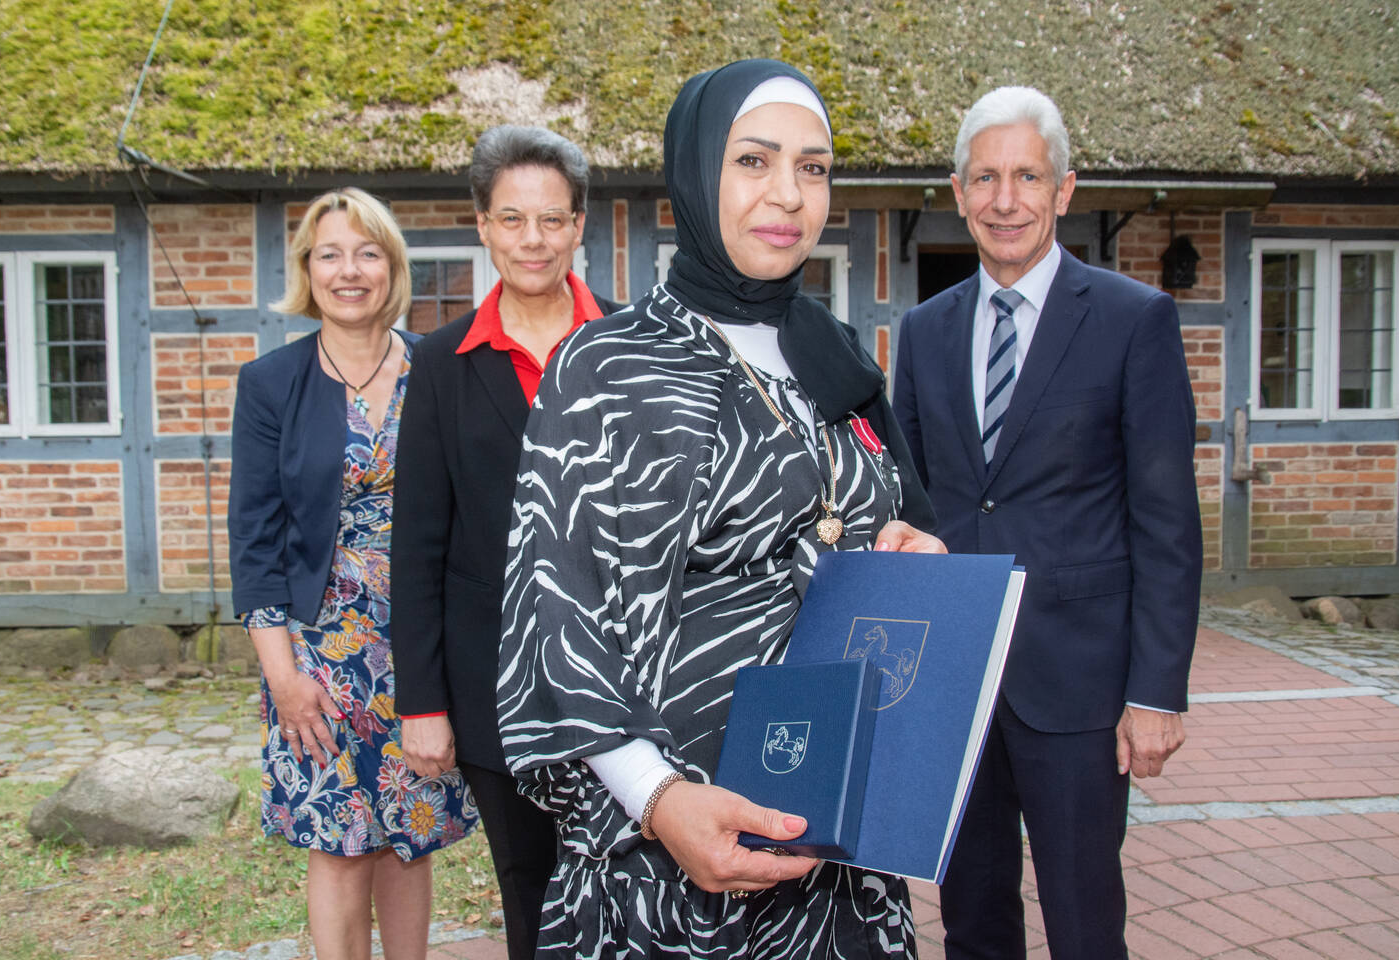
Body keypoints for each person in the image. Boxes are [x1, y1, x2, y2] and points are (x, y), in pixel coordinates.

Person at [496, 59, 944, 958]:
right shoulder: (608, 367)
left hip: (831, 835)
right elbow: (557, 613)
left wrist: (910, 550)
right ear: (697, 174)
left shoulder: (834, 353)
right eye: (754, 161)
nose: (789, 194)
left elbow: (887, 520)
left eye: (813, 168)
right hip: (669, 845)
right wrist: (660, 803)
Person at [891, 86, 1203, 960]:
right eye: (985, 178)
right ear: (957, 192)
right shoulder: (923, 331)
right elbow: (917, 503)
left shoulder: (1134, 320)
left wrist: (1155, 692)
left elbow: (1167, 520)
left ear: (1064, 190)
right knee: (973, 917)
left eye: (1027, 176)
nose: (1005, 199)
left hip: (1078, 686)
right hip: (958, 680)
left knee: (1084, 917)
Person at [228, 187, 477, 960]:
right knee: (337, 840)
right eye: (330, 253)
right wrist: (284, 679)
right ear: (309, 268)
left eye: (367, 252)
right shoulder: (272, 384)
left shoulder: (438, 367)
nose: (349, 270)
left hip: (422, 647)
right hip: (319, 656)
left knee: (410, 834)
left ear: (391, 266)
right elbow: (255, 541)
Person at [390, 125, 619, 960]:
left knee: (642, 877)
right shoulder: (442, 364)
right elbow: (417, 542)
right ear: (482, 226)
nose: (534, 240)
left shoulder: (632, 347)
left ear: (578, 225)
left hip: (626, 674)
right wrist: (423, 703)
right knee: (530, 887)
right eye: (513, 220)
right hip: (494, 689)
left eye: (552, 221)